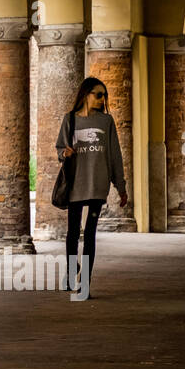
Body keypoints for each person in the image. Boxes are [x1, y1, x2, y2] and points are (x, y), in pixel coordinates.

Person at [55, 77, 128, 297]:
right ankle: (71, 271)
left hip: (98, 185)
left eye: (104, 95)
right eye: (98, 94)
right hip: (76, 184)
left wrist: (121, 187)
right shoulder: (70, 120)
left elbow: (115, 155)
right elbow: (60, 147)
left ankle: (84, 284)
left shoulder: (107, 122)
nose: (102, 99)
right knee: (72, 234)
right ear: (86, 94)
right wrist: (64, 153)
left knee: (90, 235)